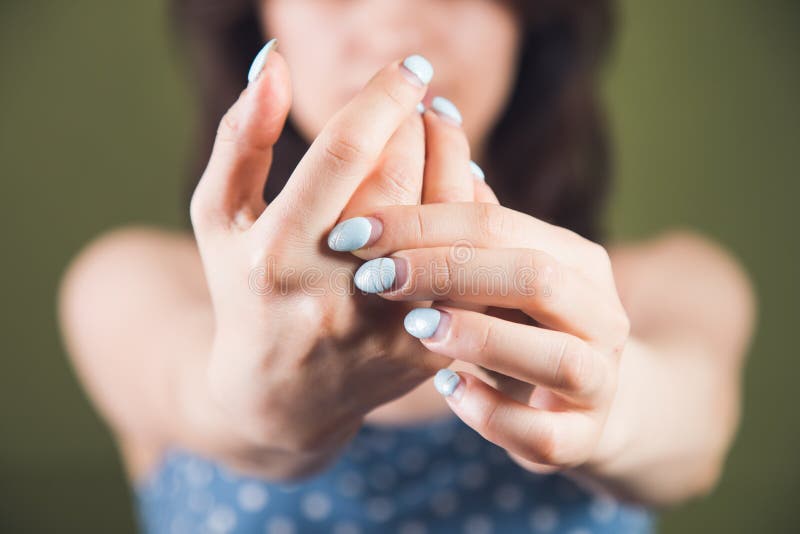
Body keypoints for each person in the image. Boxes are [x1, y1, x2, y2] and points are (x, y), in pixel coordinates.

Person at [58, 1, 755, 532]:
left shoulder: (673, 281)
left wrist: (602, 399)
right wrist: (258, 407)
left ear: (527, 22)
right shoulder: (132, 282)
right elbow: (199, 395)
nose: (393, 18)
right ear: (259, 19)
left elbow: (691, 438)